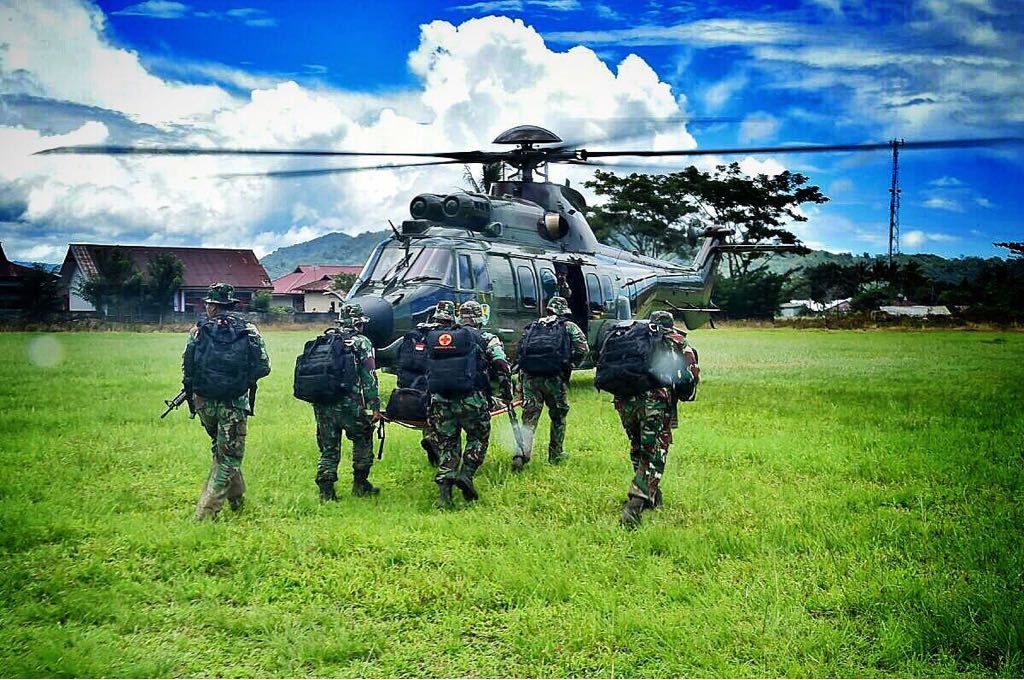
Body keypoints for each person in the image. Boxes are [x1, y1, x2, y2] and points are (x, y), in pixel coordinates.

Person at [183, 283, 271, 520]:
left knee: (222, 449)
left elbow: (188, 366)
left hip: (204, 403)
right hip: (234, 404)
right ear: (231, 305)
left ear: (211, 305)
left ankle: (237, 501)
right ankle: (205, 514)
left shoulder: (197, 331)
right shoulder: (249, 330)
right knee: (229, 456)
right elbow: (264, 367)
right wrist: (241, 378)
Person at [606, 310, 697, 529]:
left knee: (638, 446)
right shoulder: (675, 342)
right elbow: (689, 377)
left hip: (624, 401)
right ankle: (635, 504)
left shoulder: (633, 337)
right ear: (671, 325)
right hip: (653, 402)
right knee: (655, 451)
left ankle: (652, 496)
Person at [426, 299, 512, 508]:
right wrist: (506, 391)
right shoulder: (486, 337)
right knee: (478, 437)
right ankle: (467, 474)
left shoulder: (442, 337)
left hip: (441, 400)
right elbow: (501, 364)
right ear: (479, 317)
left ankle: (444, 495)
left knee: (447, 443)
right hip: (472, 399)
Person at [311, 303, 381, 501]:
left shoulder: (327, 339)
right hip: (350, 403)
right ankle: (360, 484)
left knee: (329, 447)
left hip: (323, 402)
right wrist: (374, 406)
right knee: (363, 437)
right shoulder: (361, 342)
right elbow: (369, 377)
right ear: (359, 323)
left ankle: (326, 491)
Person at [513, 295, 588, 471]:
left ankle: (520, 453)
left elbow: (520, 351)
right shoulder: (569, 327)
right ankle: (556, 454)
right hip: (555, 378)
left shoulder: (533, 327)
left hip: (530, 378)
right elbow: (583, 349)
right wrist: (570, 364)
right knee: (558, 416)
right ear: (564, 310)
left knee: (529, 418)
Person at [390, 301, 455, 466]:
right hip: (433, 384)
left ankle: (430, 442)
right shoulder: (444, 336)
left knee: (426, 415)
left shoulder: (416, 333)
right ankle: (435, 443)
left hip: (410, 385)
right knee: (441, 418)